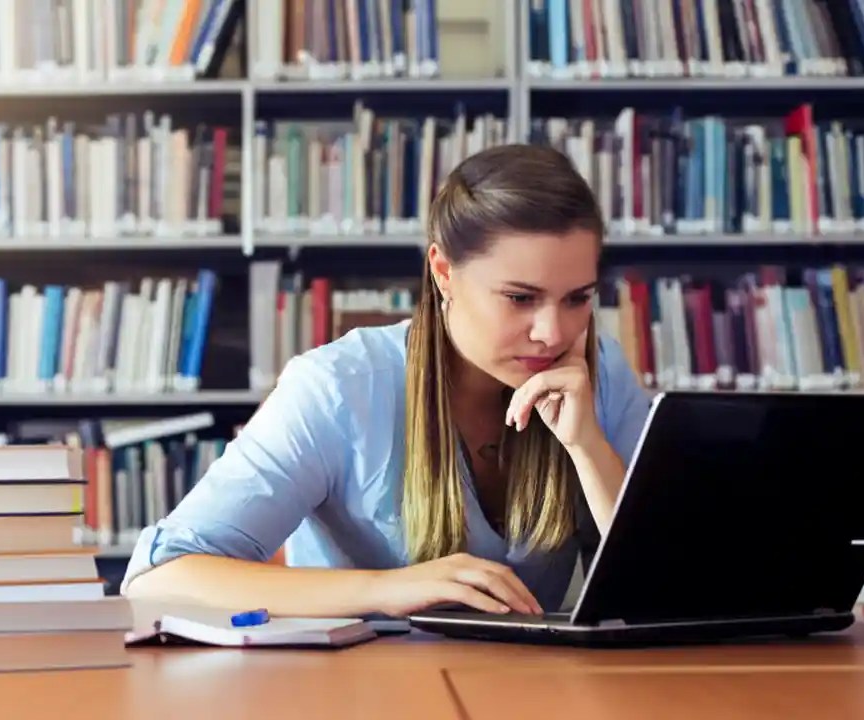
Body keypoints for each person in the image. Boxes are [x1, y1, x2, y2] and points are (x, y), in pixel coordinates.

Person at [121, 144, 652, 618]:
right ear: (444, 273)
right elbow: (159, 578)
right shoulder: (337, 387)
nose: (553, 332)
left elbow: (662, 588)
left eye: (578, 298)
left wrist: (586, 448)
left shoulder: (598, 371)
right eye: (520, 298)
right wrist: (386, 589)